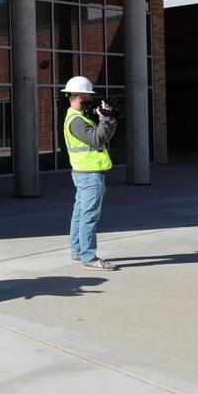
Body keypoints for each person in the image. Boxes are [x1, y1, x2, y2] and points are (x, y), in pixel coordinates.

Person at [61, 76, 118, 271]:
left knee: (80, 214)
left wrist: (108, 119)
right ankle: (88, 257)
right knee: (89, 216)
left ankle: (78, 253)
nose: (91, 98)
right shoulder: (77, 121)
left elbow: (102, 139)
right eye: (88, 95)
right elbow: (97, 140)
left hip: (85, 172)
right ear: (78, 96)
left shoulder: (80, 117)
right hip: (89, 174)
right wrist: (103, 120)